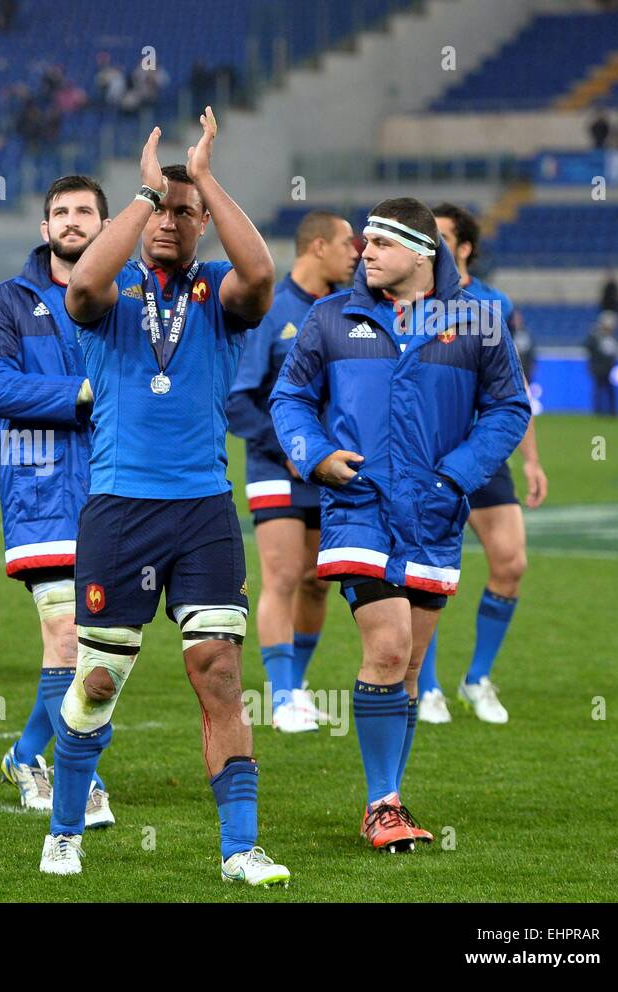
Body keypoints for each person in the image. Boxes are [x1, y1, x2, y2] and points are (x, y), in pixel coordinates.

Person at [41, 110, 289, 885]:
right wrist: (147, 193)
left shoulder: (218, 293)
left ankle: (240, 848)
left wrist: (205, 177)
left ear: (204, 224)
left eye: (186, 214)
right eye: (159, 209)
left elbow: (264, 278)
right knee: (99, 682)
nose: (169, 222)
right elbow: (81, 279)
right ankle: (63, 830)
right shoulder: (110, 297)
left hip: (204, 511)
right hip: (120, 509)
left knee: (218, 673)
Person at [270, 197, 531, 852]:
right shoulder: (331, 318)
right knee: (386, 649)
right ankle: (382, 804)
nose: (367, 254)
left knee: (409, 667)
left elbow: (509, 409)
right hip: (357, 508)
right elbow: (289, 397)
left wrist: (456, 476)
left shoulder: (480, 321)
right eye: (364, 244)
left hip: (436, 514)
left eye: (381, 245)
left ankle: (386, 795)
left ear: (421, 252)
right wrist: (314, 454)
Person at [0, 175, 113, 827]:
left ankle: (26, 752)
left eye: (85, 212)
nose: (72, 221)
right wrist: (82, 394)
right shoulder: (8, 301)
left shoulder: (131, 298)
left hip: (122, 493)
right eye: (61, 212)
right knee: (63, 638)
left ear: (107, 227)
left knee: (100, 649)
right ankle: (82, 776)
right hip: (44, 494)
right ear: (44, 226)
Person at [416, 204, 549, 725]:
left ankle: (477, 678)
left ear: (465, 246)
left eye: (442, 237)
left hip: (486, 454)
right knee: (424, 573)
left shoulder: (494, 303)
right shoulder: (408, 300)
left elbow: (510, 392)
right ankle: (425, 687)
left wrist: (531, 459)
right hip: (427, 456)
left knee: (511, 563)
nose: (431, 246)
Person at [227, 210, 357, 734]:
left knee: (317, 582)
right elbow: (237, 398)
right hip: (276, 464)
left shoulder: (344, 312)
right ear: (318, 246)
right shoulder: (270, 309)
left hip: (325, 467)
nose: (358, 253)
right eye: (349, 243)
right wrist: (285, 447)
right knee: (281, 575)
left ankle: (297, 688)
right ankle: (280, 699)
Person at [586, 310, 618, 417]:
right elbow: (589, 347)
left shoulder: (612, 338)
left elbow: (615, 352)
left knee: (610, 390)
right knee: (599, 390)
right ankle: (598, 411)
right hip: (598, 368)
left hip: (609, 369)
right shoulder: (595, 337)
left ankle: (612, 412)